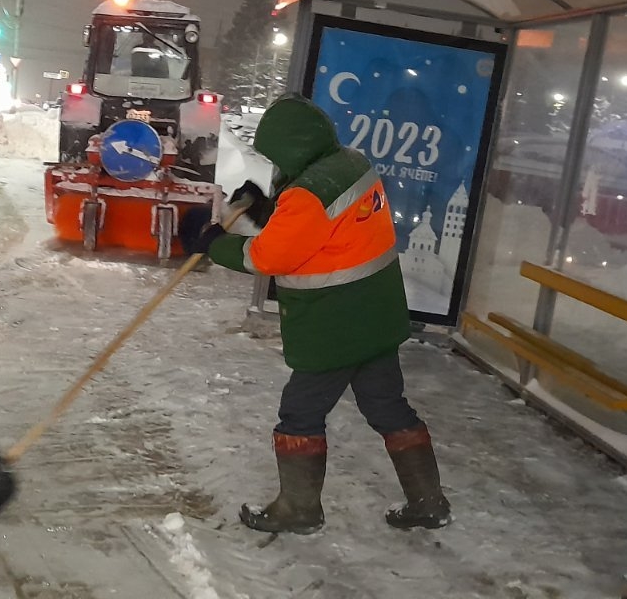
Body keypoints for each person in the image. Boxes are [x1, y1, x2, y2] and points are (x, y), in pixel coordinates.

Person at [180, 95, 450, 534]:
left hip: (335, 325)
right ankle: (429, 501)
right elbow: (320, 230)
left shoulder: (307, 195)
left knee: (299, 413)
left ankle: (299, 510)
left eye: (275, 155)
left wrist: (215, 244)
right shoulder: (351, 165)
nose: (274, 164)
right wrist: (266, 209)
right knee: (387, 406)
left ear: (291, 148)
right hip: (376, 316)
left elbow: (269, 256)